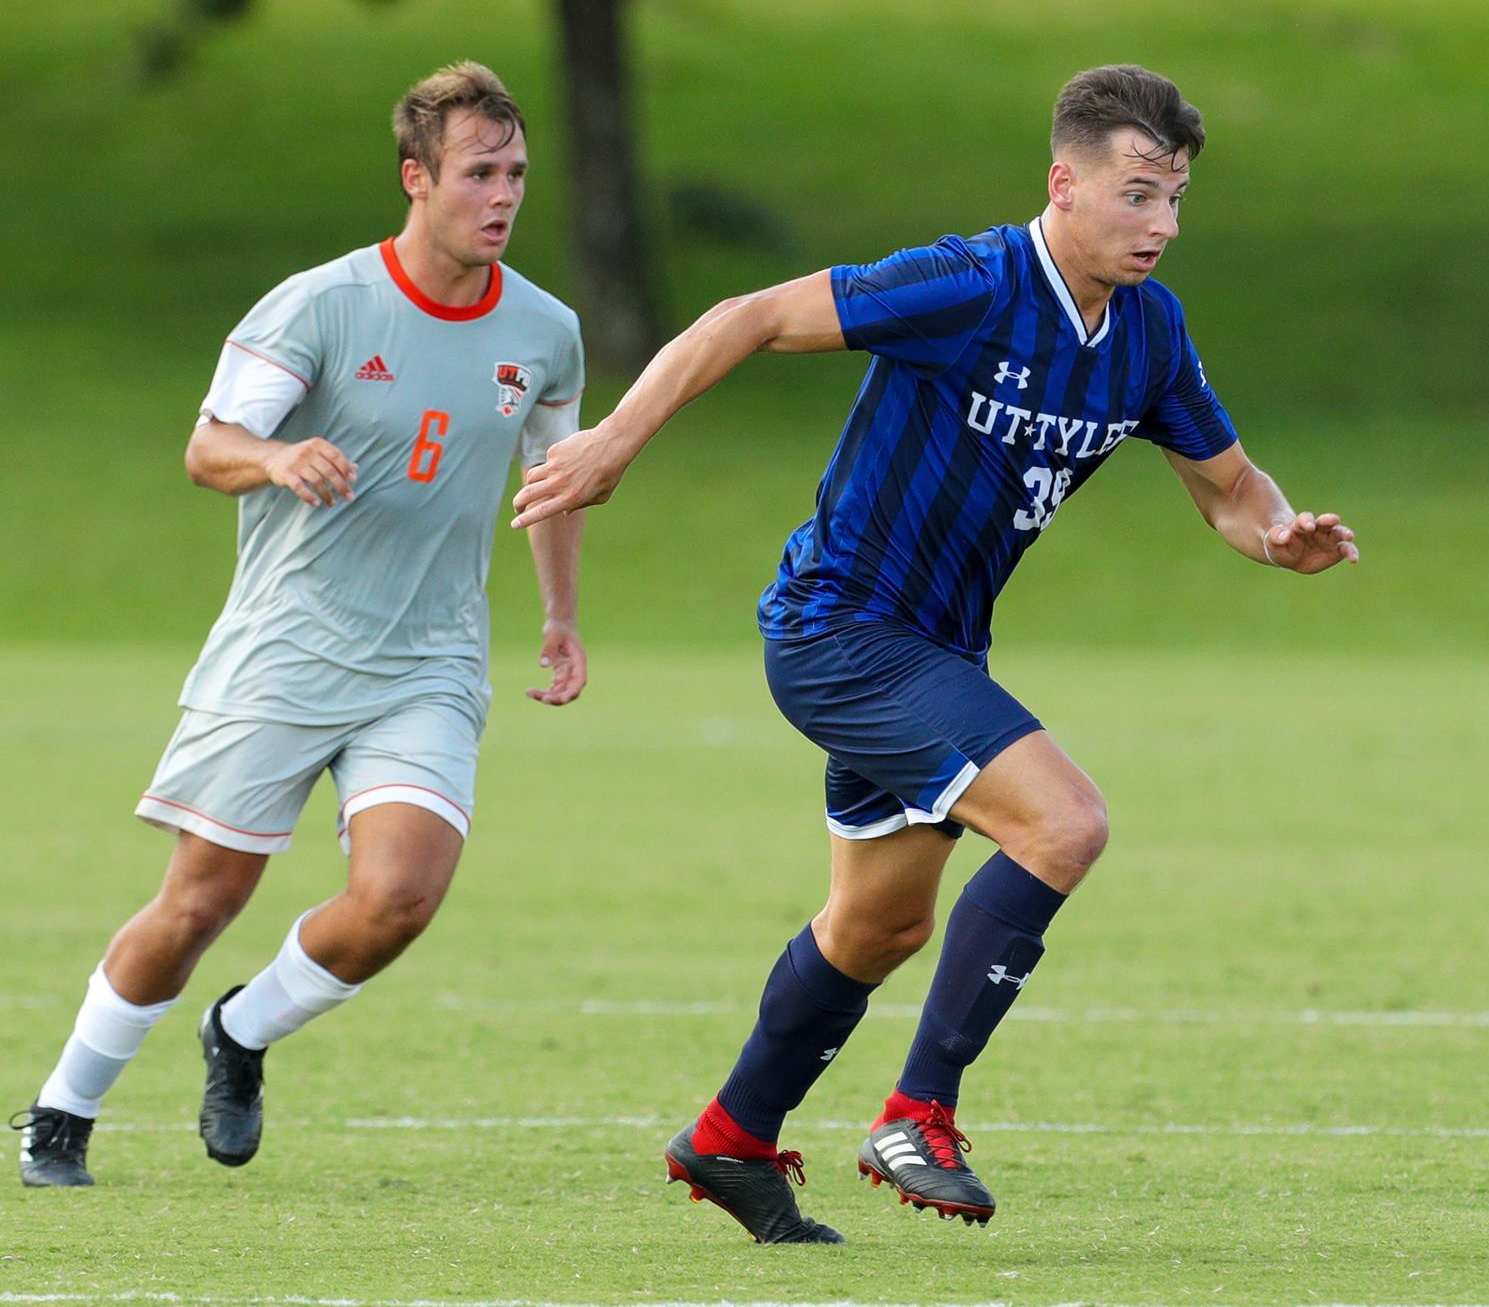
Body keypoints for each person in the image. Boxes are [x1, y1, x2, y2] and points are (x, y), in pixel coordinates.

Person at [512, 64, 1356, 1241]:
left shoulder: (1147, 332)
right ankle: (917, 1113)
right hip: (841, 627)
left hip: (935, 646)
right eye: (1136, 194)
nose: (1160, 224)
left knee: (877, 927)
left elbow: (1227, 486)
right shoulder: (970, 282)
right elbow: (746, 316)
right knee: (1063, 824)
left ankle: (729, 1138)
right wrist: (613, 439)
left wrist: (1275, 535)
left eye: (1173, 198)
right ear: (1062, 184)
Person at [12, 62, 588, 1188]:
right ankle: (61, 1110)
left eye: (516, 173)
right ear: (416, 178)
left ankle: (241, 1031)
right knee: (199, 903)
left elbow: (557, 474)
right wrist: (276, 457)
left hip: (428, 660)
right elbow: (208, 448)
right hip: (287, 649)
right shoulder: (320, 304)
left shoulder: (546, 329)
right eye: (479, 173)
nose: (503, 196)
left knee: (399, 899)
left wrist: (561, 614)